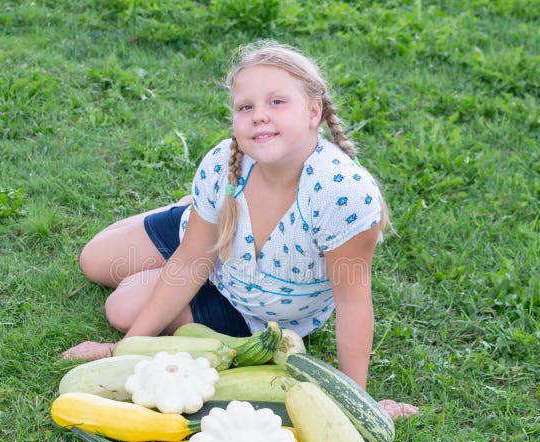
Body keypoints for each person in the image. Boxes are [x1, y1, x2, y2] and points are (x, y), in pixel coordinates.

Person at [63, 40, 418, 420]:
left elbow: (353, 304)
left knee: (122, 307)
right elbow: (192, 260)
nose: (259, 116)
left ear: (313, 111)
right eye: (246, 106)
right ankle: (193, 209)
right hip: (209, 244)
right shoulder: (224, 163)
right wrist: (130, 350)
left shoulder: (341, 195)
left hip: (249, 303)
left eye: (277, 102)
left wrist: (356, 404)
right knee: (94, 261)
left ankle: (202, 219)